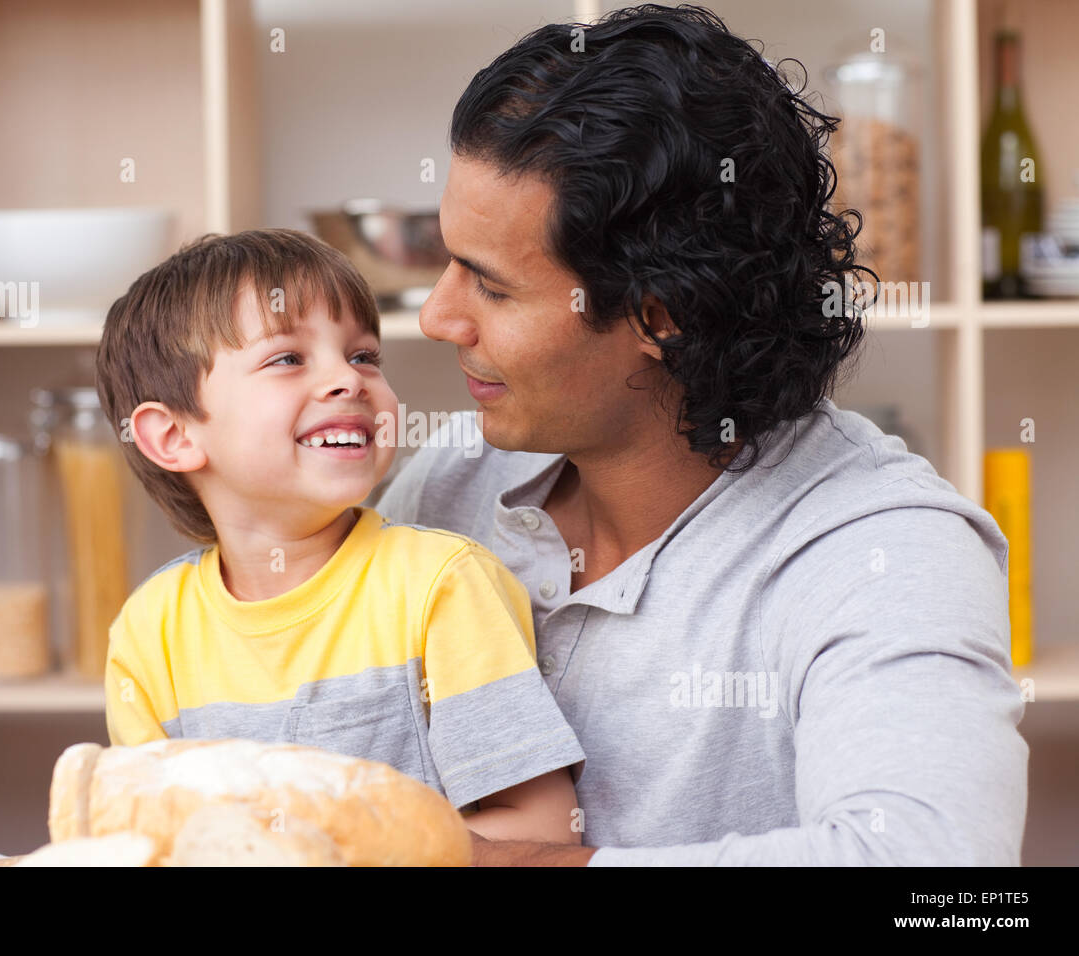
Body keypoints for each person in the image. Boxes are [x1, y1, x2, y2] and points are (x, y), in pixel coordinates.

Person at [372, 3, 1028, 865]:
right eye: (447, 263)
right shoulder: (450, 481)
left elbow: (941, 883)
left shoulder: (881, 551)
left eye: (489, 287)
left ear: (659, 315)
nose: (437, 315)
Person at [95, 227, 585, 844]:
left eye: (363, 356)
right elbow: (149, 843)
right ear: (174, 437)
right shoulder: (149, 633)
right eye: (288, 359)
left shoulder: (440, 584)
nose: (349, 381)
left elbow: (544, 830)